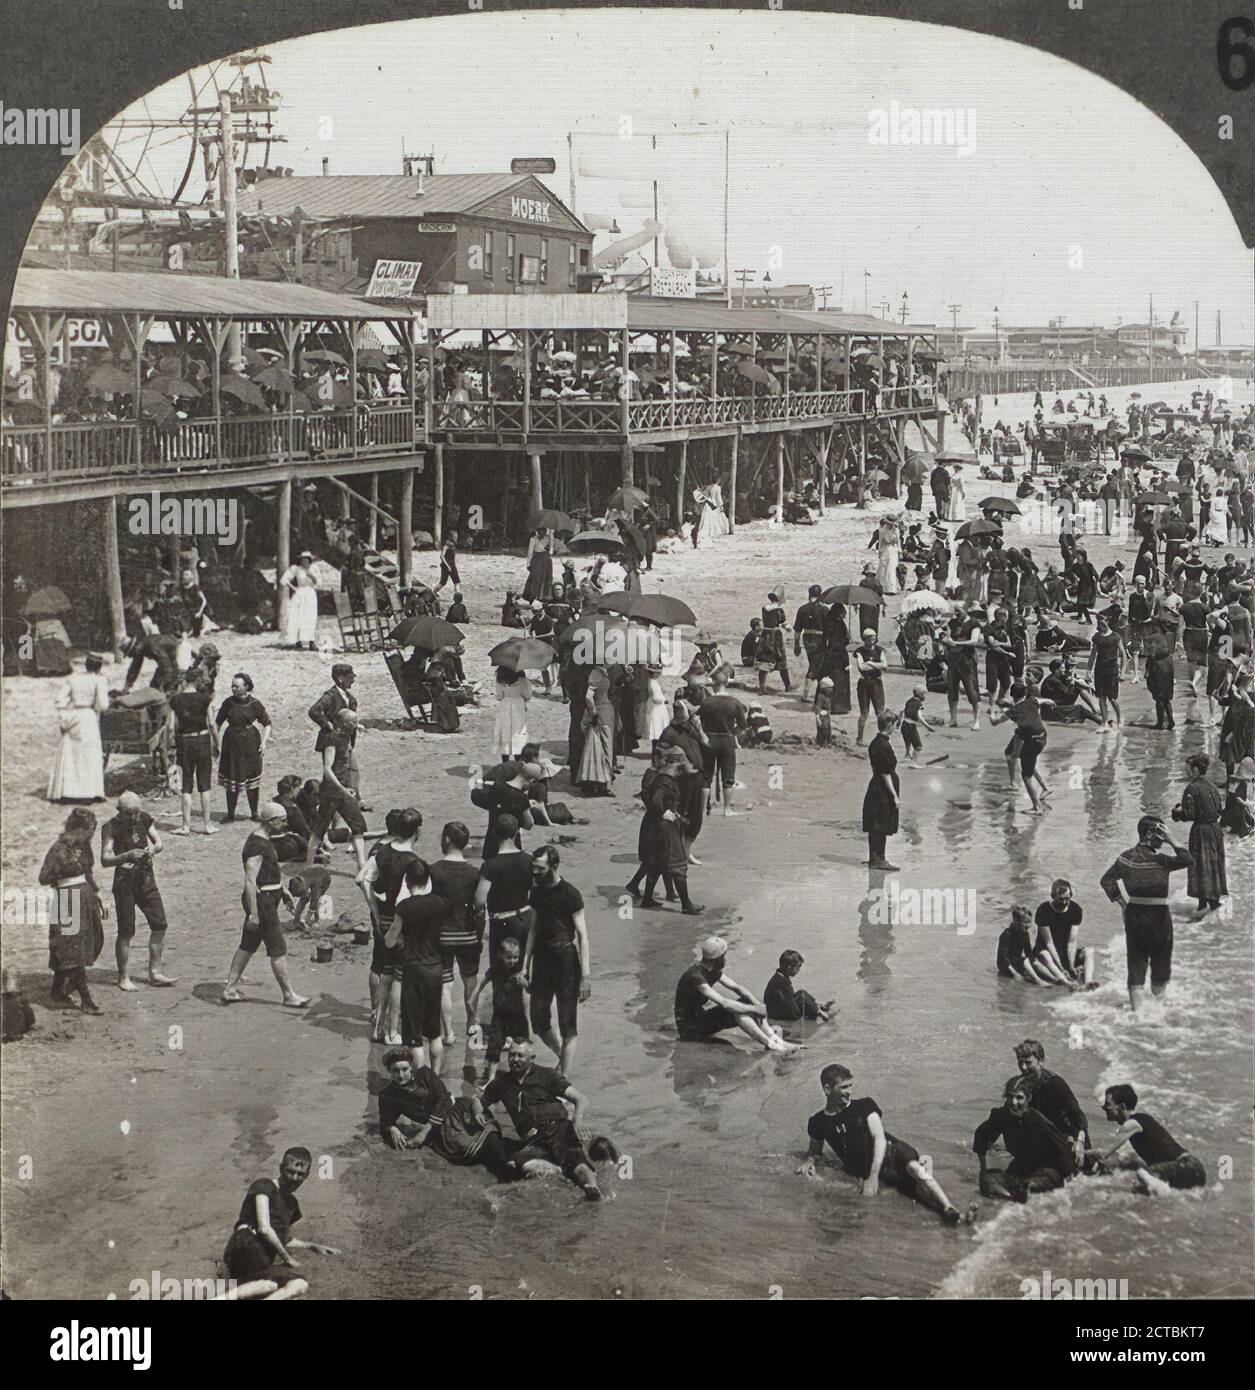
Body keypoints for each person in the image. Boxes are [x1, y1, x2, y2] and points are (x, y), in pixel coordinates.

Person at [799, 1063, 972, 1223]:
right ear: (828, 1089)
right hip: (865, 1167)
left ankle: (949, 1207)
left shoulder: (864, 1105)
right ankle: (952, 1217)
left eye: (850, 1086)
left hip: (890, 1151)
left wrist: (872, 1177)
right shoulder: (818, 1121)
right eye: (844, 1087)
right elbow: (815, 1151)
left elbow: (879, 1138)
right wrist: (810, 1162)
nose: (849, 1091)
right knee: (913, 1193)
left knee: (915, 1169)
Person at [481, 1038, 604, 1199]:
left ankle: (592, 1188)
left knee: (576, 1162)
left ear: (531, 1058)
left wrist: (577, 1120)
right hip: (532, 1139)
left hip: (558, 1128)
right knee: (520, 1165)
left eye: (520, 1055)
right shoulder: (500, 1084)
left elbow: (580, 1099)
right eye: (511, 1055)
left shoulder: (547, 1076)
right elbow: (480, 1107)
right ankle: (559, 1170)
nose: (514, 1059)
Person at [378, 1048, 524, 1182]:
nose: (401, 1075)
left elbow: (444, 1099)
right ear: (389, 1072)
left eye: (404, 1069)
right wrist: (392, 1128)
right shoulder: (387, 1095)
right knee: (473, 1149)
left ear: (412, 1068)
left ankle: (509, 1168)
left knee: (489, 1137)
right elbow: (385, 1120)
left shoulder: (424, 1074)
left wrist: (423, 1133)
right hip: (442, 1127)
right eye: (395, 1071)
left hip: (460, 1110)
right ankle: (514, 1161)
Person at [1100, 815, 1193, 1011]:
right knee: (1160, 961)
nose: (1163, 839)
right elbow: (1187, 859)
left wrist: (1123, 904)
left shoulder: (1125, 858)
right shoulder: (1160, 860)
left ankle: (1137, 1014)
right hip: (1158, 916)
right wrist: (1172, 839)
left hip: (1134, 913)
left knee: (1136, 962)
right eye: (1161, 833)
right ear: (1151, 834)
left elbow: (1106, 881)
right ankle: (1156, 1013)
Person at [222, 802, 310, 1008]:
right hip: (262, 904)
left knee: (248, 945)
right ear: (270, 822)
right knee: (277, 948)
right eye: (282, 820)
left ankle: (230, 988)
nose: (286, 824)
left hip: (267, 898)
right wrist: (254, 913)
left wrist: (284, 891)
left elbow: (269, 874)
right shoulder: (256, 846)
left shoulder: (264, 840)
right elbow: (250, 881)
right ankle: (288, 995)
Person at [221, 1147, 338, 1299]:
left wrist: (311, 1246)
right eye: (290, 1171)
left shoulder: (292, 1204)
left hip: (262, 1257)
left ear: (307, 1175)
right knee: (280, 1283)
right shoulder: (264, 1185)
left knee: (293, 1285)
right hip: (245, 1243)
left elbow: (282, 1239)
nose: (294, 1178)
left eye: (300, 1174)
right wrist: (288, 1259)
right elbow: (264, 1229)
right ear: (281, 1168)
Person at [358, 806, 421, 1043]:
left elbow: (364, 880)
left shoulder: (382, 853)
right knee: (399, 976)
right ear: (417, 831)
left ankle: (378, 1025)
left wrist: (375, 912)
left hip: (382, 919)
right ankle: (393, 1030)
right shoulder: (414, 862)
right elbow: (407, 898)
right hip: (401, 924)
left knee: (384, 971)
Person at [674, 936, 801, 1053]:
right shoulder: (696, 977)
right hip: (689, 1029)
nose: (725, 959)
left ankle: (772, 1037)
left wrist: (757, 1005)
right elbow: (724, 1003)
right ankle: (771, 1043)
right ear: (716, 959)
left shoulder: (710, 969)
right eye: (723, 956)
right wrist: (754, 1009)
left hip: (699, 1018)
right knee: (737, 1009)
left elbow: (737, 987)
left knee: (745, 1001)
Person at [100, 792, 175, 991]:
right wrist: (126, 855)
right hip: (124, 883)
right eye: (129, 814)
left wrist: (152, 850)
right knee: (126, 930)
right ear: (120, 812)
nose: (134, 817)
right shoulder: (110, 827)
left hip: (146, 879)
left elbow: (159, 843)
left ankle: (155, 972)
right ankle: (123, 976)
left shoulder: (144, 818)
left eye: (136, 812)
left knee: (160, 924)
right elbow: (105, 860)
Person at [525, 846, 590, 1074]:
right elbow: (533, 929)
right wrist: (526, 965)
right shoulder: (537, 891)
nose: (535, 873)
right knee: (538, 1019)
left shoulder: (570, 894)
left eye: (540, 869)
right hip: (542, 961)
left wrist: (586, 978)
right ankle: (562, 1053)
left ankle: (564, 1079)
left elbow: (583, 936)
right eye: (533, 868)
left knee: (567, 1024)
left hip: (566, 963)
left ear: (553, 866)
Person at [38, 807, 107, 1015]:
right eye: (88, 831)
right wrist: (63, 879)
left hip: (85, 897)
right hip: (67, 900)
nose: (91, 835)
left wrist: (98, 895)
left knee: (89, 941)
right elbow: (43, 878)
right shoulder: (58, 849)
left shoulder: (84, 847)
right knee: (71, 948)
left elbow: (88, 872)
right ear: (77, 829)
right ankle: (86, 1000)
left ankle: (57, 989)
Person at [1087, 1085, 1207, 1193]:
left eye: (1107, 1105)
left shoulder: (1131, 1124)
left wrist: (1083, 1152)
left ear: (1122, 1107)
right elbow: (1136, 1158)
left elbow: (1105, 1153)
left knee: (1142, 1177)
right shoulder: (1143, 1119)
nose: (1104, 1108)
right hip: (1193, 1170)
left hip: (1187, 1167)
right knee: (1138, 1172)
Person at [973, 1076, 1075, 1203]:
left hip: (1047, 1169)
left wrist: (1071, 1183)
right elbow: (981, 1134)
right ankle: (1013, 1197)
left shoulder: (1037, 1119)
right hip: (1021, 1167)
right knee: (987, 1182)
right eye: (1010, 1096)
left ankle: (1022, 1193)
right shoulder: (1002, 1116)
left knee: (1029, 1185)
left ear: (1027, 1099)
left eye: (1019, 1098)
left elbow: (1063, 1149)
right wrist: (983, 1169)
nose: (1014, 1102)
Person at [429, 822, 483, 1043]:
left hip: (441, 934)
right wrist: (479, 934)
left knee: (445, 982)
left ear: (446, 840)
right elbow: (480, 907)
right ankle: (472, 1021)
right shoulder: (474, 873)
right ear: (466, 843)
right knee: (470, 977)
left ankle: (448, 1031)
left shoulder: (433, 870)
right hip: (468, 933)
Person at [395, 856, 447, 1070]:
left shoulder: (404, 906)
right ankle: (434, 1076)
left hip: (413, 969)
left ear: (407, 881)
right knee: (434, 1031)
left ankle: (419, 1078)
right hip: (435, 968)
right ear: (428, 880)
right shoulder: (439, 902)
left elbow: (390, 938)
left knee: (414, 1034)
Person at [306, 709, 368, 873]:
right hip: (332, 792)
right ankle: (309, 866)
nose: (356, 724)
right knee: (319, 828)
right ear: (343, 723)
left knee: (358, 825)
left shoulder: (347, 735)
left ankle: (362, 865)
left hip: (345, 790)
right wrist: (342, 788)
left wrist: (349, 788)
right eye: (353, 722)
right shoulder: (331, 739)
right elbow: (327, 769)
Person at [1012, 1039, 1089, 1168]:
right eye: (1020, 1062)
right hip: (1044, 1138)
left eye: (1028, 1063)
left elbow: (1078, 1116)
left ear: (1040, 1061)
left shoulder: (1055, 1084)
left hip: (1067, 1139)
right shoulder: (1021, 1084)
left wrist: (1079, 1143)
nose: (1023, 1067)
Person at [1171, 752, 1228, 917]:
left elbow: (1190, 814)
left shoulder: (1192, 788)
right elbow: (1218, 810)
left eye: (1189, 769)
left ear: (1196, 769)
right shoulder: (1212, 786)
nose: (1187, 772)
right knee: (1214, 863)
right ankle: (1213, 900)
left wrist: (1177, 812)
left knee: (1200, 864)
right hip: (1215, 829)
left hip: (1201, 831)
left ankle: (1204, 903)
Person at [47, 653, 109, 803]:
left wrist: (64, 716)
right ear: (98, 667)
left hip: (74, 716)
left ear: (86, 665)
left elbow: (60, 700)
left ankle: (68, 791)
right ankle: (87, 792)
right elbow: (103, 705)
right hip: (88, 717)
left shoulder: (73, 679)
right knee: (88, 754)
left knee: (71, 753)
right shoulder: (99, 680)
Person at [473, 814, 534, 964]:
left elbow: (479, 900)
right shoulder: (529, 860)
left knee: (500, 971)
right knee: (520, 969)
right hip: (525, 918)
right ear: (516, 833)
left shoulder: (491, 865)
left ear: (494, 832)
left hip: (502, 922)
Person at [468, 935, 532, 1076]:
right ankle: (491, 1079)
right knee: (494, 1047)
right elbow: (482, 982)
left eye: (515, 957)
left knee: (522, 1045)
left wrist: (525, 984)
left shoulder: (519, 972)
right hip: (500, 1016)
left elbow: (531, 989)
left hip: (517, 1016)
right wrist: (473, 997)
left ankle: (524, 1075)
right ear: (500, 955)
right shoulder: (495, 969)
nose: (512, 961)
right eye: (508, 957)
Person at [989, 682, 1054, 814]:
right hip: (1042, 737)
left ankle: (1037, 807)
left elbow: (995, 722)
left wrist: (991, 712)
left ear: (1012, 696)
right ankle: (1045, 788)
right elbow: (1045, 701)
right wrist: (1052, 702)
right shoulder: (1032, 700)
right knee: (1029, 762)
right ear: (1025, 694)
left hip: (1030, 740)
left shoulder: (1013, 711)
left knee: (1026, 775)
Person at [216, 672, 271, 822]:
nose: (233, 689)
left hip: (250, 743)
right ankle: (231, 814)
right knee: (231, 777)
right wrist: (214, 742)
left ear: (246, 687)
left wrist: (264, 742)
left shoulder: (255, 704)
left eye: (237, 686)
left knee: (251, 777)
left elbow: (267, 724)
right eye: (232, 686)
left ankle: (254, 813)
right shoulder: (228, 703)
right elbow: (217, 723)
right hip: (231, 744)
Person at [169, 670, 218, 835]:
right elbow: (211, 724)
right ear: (197, 681)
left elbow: (171, 727)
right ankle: (207, 825)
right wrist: (217, 743)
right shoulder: (205, 699)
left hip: (184, 742)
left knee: (186, 785)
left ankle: (185, 826)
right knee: (204, 784)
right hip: (202, 741)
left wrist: (173, 746)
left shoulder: (175, 700)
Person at [698, 668, 747, 815]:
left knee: (706, 776)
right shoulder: (734, 702)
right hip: (727, 740)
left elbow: (699, 721)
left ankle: (701, 811)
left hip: (710, 740)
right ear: (726, 683)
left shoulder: (707, 702)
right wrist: (732, 733)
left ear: (714, 684)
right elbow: (743, 726)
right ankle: (727, 809)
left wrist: (703, 735)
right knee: (728, 776)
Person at [1034, 878, 1095, 987]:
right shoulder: (1043, 910)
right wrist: (1062, 968)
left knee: (1089, 951)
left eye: (1067, 898)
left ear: (1071, 896)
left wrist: (1071, 968)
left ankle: (1088, 982)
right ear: (1053, 896)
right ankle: (1066, 981)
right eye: (1060, 899)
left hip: (1065, 953)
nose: (1064, 902)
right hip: (1047, 953)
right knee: (1045, 954)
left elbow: (1072, 941)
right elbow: (1049, 944)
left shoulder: (1076, 910)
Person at [862, 710, 901, 871]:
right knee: (881, 822)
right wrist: (894, 796)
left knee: (875, 822)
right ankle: (879, 858)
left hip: (875, 785)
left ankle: (874, 857)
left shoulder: (875, 742)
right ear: (889, 725)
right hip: (883, 788)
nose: (895, 728)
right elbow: (885, 773)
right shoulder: (884, 745)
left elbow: (876, 768)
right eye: (894, 725)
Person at [996, 904, 1070, 985]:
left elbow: (1029, 953)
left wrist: (1035, 962)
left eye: (1029, 923)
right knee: (1026, 960)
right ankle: (1038, 980)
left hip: (1017, 962)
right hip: (1006, 966)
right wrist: (1014, 974)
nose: (1028, 926)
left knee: (1034, 960)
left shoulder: (1024, 934)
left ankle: (1054, 978)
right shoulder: (1007, 935)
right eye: (1025, 922)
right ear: (1016, 921)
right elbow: (1003, 958)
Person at [941, 604, 983, 731]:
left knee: (972, 690)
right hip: (953, 660)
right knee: (952, 689)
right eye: (955, 612)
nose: (956, 614)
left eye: (958, 611)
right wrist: (944, 638)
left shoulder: (974, 623)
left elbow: (974, 641)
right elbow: (946, 634)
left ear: (966, 609)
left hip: (967, 661)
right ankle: (953, 719)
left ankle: (976, 721)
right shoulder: (953, 622)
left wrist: (955, 643)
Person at [576, 662, 615, 795]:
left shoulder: (601, 672)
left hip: (605, 710)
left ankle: (600, 782)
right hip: (602, 711)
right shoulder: (597, 673)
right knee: (603, 747)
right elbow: (588, 696)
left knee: (601, 746)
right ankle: (602, 784)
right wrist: (593, 713)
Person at [764, 951, 834, 1023]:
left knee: (801, 993)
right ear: (789, 967)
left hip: (777, 1009)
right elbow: (791, 1005)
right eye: (798, 967)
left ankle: (819, 1005)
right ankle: (821, 1014)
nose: (799, 970)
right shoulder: (781, 982)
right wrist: (813, 1009)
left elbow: (789, 998)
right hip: (779, 1014)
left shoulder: (780, 976)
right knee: (801, 997)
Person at [1086, 612, 1126, 729]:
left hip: (1112, 670)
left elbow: (1123, 654)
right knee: (1101, 697)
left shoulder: (1116, 637)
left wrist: (1123, 672)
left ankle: (1119, 718)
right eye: (1099, 624)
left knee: (1112, 699)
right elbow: (1093, 655)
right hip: (1100, 670)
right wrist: (1089, 671)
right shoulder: (1097, 637)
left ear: (1108, 622)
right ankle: (1104, 723)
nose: (1101, 626)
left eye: (1103, 624)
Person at [793, 584, 829, 703]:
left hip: (807, 638)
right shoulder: (824, 609)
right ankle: (807, 694)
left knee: (814, 663)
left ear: (809, 594)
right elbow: (829, 628)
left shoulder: (802, 609)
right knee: (816, 665)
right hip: (819, 639)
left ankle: (813, 692)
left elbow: (797, 630)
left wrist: (796, 645)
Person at [280, 550, 320, 650]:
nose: (304, 562)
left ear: (310, 560)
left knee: (310, 618)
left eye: (306, 560)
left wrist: (311, 575)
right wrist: (293, 587)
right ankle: (298, 641)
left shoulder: (314, 568)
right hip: (299, 594)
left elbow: (318, 583)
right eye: (303, 560)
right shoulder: (296, 569)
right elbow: (283, 580)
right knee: (297, 617)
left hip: (310, 593)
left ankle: (311, 642)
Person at [853, 628, 887, 745]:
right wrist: (878, 666)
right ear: (864, 639)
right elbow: (861, 668)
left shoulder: (880, 650)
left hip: (877, 683)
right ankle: (859, 738)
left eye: (874, 636)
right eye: (869, 637)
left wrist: (870, 663)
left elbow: (885, 665)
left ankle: (882, 738)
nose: (872, 639)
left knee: (880, 711)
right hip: (864, 683)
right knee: (864, 712)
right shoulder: (859, 651)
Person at [492, 667, 532, 761]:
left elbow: (499, 696)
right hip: (519, 707)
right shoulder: (523, 680)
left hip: (505, 706)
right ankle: (518, 759)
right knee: (518, 732)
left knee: (505, 733)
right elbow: (527, 695)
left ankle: (505, 761)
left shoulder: (500, 680)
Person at [900, 684, 934, 765]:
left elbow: (901, 711)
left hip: (904, 724)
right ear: (920, 694)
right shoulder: (919, 704)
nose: (925, 696)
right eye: (924, 694)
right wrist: (927, 726)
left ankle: (907, 754)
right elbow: (919, 717)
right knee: (918, 746)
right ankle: (913, 763)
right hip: (911, 726)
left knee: (907, 741)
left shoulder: (908, 700)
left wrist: (898, 723)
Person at [813, 677, 834, 745]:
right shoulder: (821, 697)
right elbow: (817, 707)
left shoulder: (827, 696)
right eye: (829, 688)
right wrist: (817, 717)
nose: (831, 690)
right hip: (822, 715)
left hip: (826, 715)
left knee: (828, 729)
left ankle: (828, 741)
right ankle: (822, 742)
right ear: (824, 688)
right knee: (823, 729)